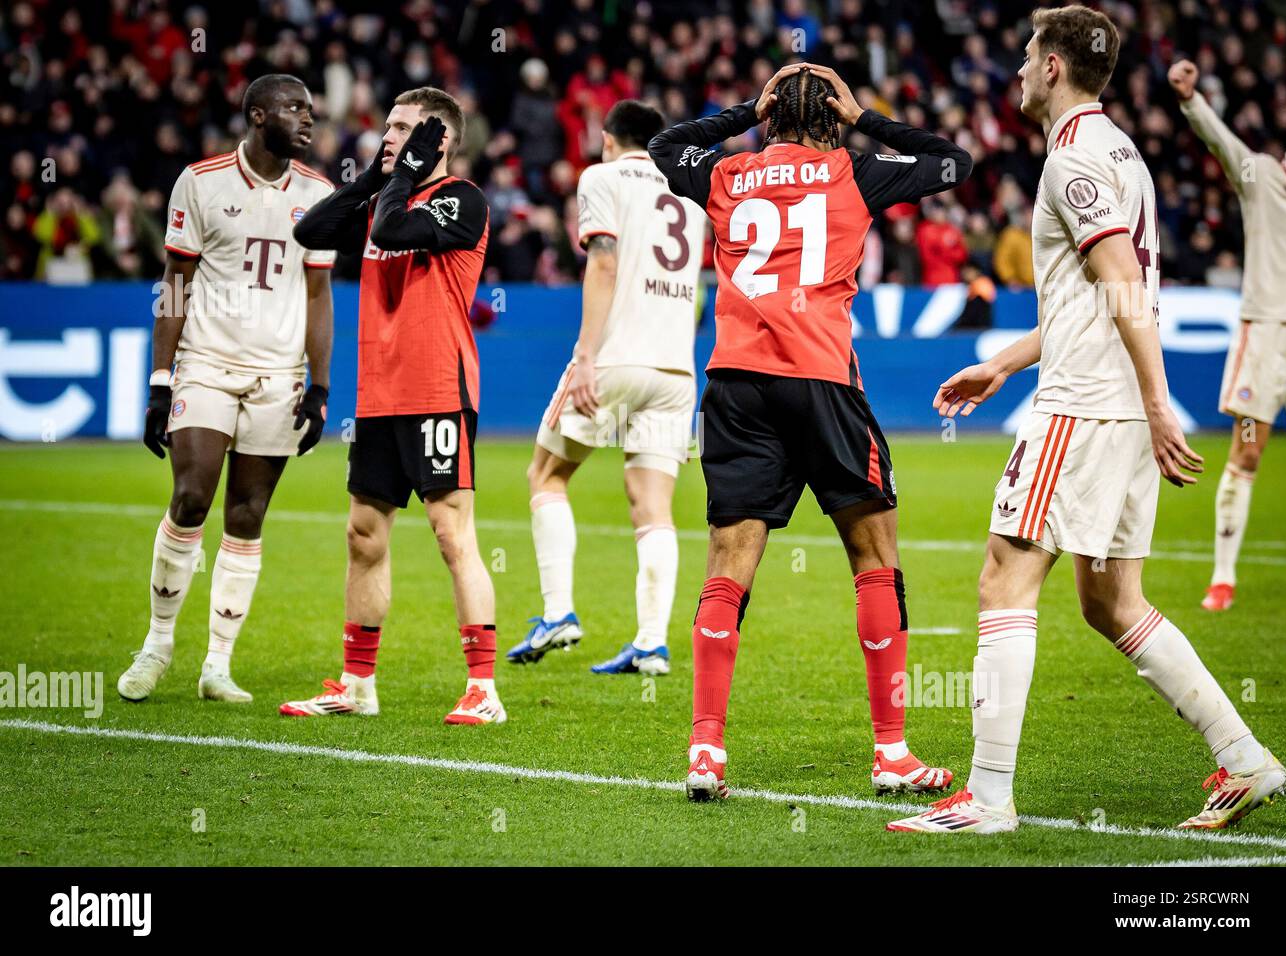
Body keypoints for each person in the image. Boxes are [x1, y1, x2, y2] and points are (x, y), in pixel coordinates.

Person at [889, 6, 1286, 834]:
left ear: (1055, 69)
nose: (1021, 69)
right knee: (1111, 601)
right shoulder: (1123, 154)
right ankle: (1245, 758)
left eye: (1031, 54)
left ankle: (988, 799)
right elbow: (1093, 295)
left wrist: (1154, 399)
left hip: (1085, 406)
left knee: (1004, 574)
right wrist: (1002, 363)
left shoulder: (1070, 160)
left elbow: (1120, 287)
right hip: (1113, 407)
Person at [649, 62, 972, 800]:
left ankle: (705, 752)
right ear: (831, 116)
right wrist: (866, 120)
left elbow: (665, 148)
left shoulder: (728, 174)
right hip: (821, 380)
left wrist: (740, 114)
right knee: (874, 552)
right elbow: (956, 160)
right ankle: (890, 754)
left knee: (729, 563)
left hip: (736, 383)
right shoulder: (853, 172)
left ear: (771, 114)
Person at [281, 87, 504, 725]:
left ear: (442, 142)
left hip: (438, 388)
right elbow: (310, 229)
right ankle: (356, 684)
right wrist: (384, 176)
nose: (388, 136)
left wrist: (400, 177)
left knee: (451, 534)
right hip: (380, 393)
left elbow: (390, 228)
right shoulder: (390, 194)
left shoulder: (462, 200)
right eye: (387, 126)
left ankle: (484, 689)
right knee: (364, 535)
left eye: (406, 128)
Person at [116, 74, 335, 705]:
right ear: (258, 115)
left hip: (278, 377)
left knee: (247, 515)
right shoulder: (202, 180)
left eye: (311, 111)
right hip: (206, 363)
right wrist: (161, 383)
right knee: (190, 496)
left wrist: (319, 387)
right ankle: (157, 645)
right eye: (295, 109)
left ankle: (217, 665)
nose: (308, 121)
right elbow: (176, 281)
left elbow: (318, 296)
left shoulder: (319, 193)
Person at [507, 100, 705, 676]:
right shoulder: (688, 198)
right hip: (675, 367)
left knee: (546, 475)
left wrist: (586, 354)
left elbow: (603, 263)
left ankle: (559, 612)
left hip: (617, 356)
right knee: (653, 507)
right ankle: (650, 645)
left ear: (606, 139)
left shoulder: (602, 177)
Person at [1168, 58, 1286, 612]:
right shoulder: (1264, 175)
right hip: (1269, 330)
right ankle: (1223, 578)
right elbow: (1222, 143)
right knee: (1248, 453)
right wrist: (1193, 100)